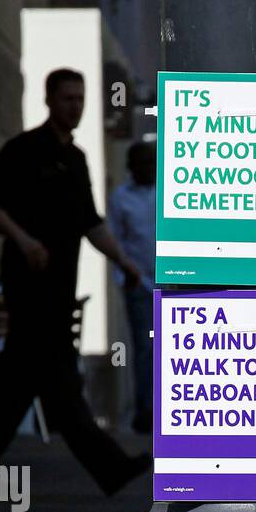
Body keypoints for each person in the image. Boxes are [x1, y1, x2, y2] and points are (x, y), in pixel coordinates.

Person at [0, 68, 150, 494]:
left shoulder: (78, 159)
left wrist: (126, 262)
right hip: (28, 287)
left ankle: (111, 468)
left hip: (61, 290)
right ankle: (111, 467)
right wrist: (25, 241)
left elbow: (91, 224)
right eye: (68, 98)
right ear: (49, 101)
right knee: (46, 380)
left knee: (30, 383)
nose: (76, 106)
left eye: (81, 98)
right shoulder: (22, 151)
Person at [108, 141, 156, 435]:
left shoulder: (169, 192)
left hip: (172, 283)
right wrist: (122, 278)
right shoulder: (120, 198)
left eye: (153, 163)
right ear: (131, 167)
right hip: (139, 284)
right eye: (143, 164)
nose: (149, 168)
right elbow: (115, 239)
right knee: (144, 349)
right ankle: (145, 411)